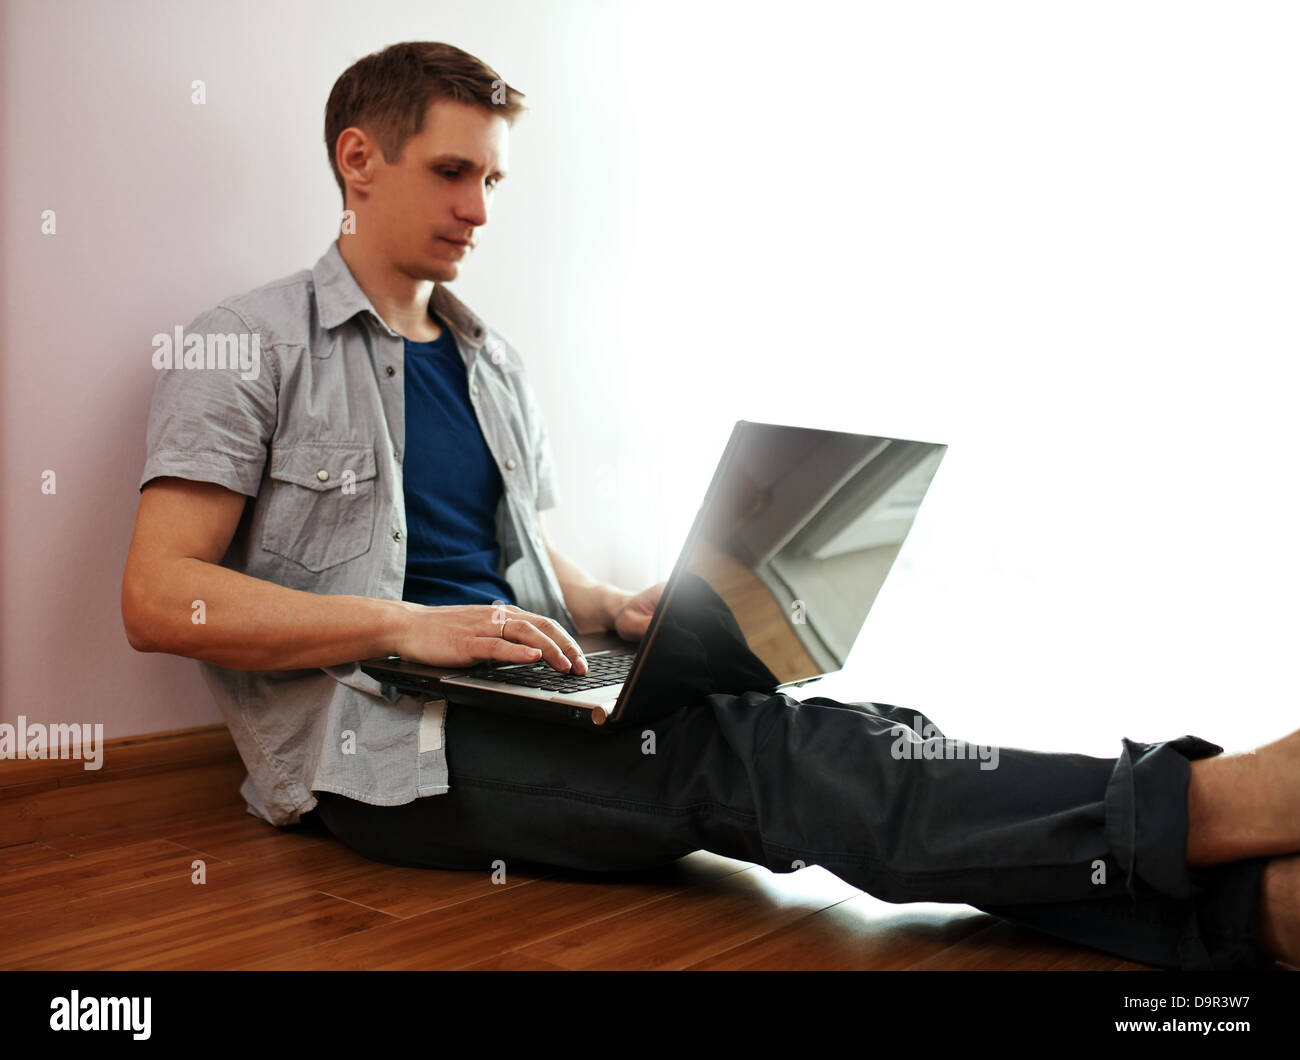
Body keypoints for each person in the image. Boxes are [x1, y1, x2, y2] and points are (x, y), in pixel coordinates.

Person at [120, 41, 1300, 972]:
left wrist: (615, 609)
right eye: (451, 170)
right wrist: (402, 626)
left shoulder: (490, 361)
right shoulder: (244, 344)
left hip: (522, 682)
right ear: (357, 159)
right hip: (381, 756)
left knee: (837, 729)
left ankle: (1251, 912)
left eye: (492, 178)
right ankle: (1209, 804)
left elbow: (520, 560)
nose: (479, 206)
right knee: (766, 761)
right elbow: (162, 597)